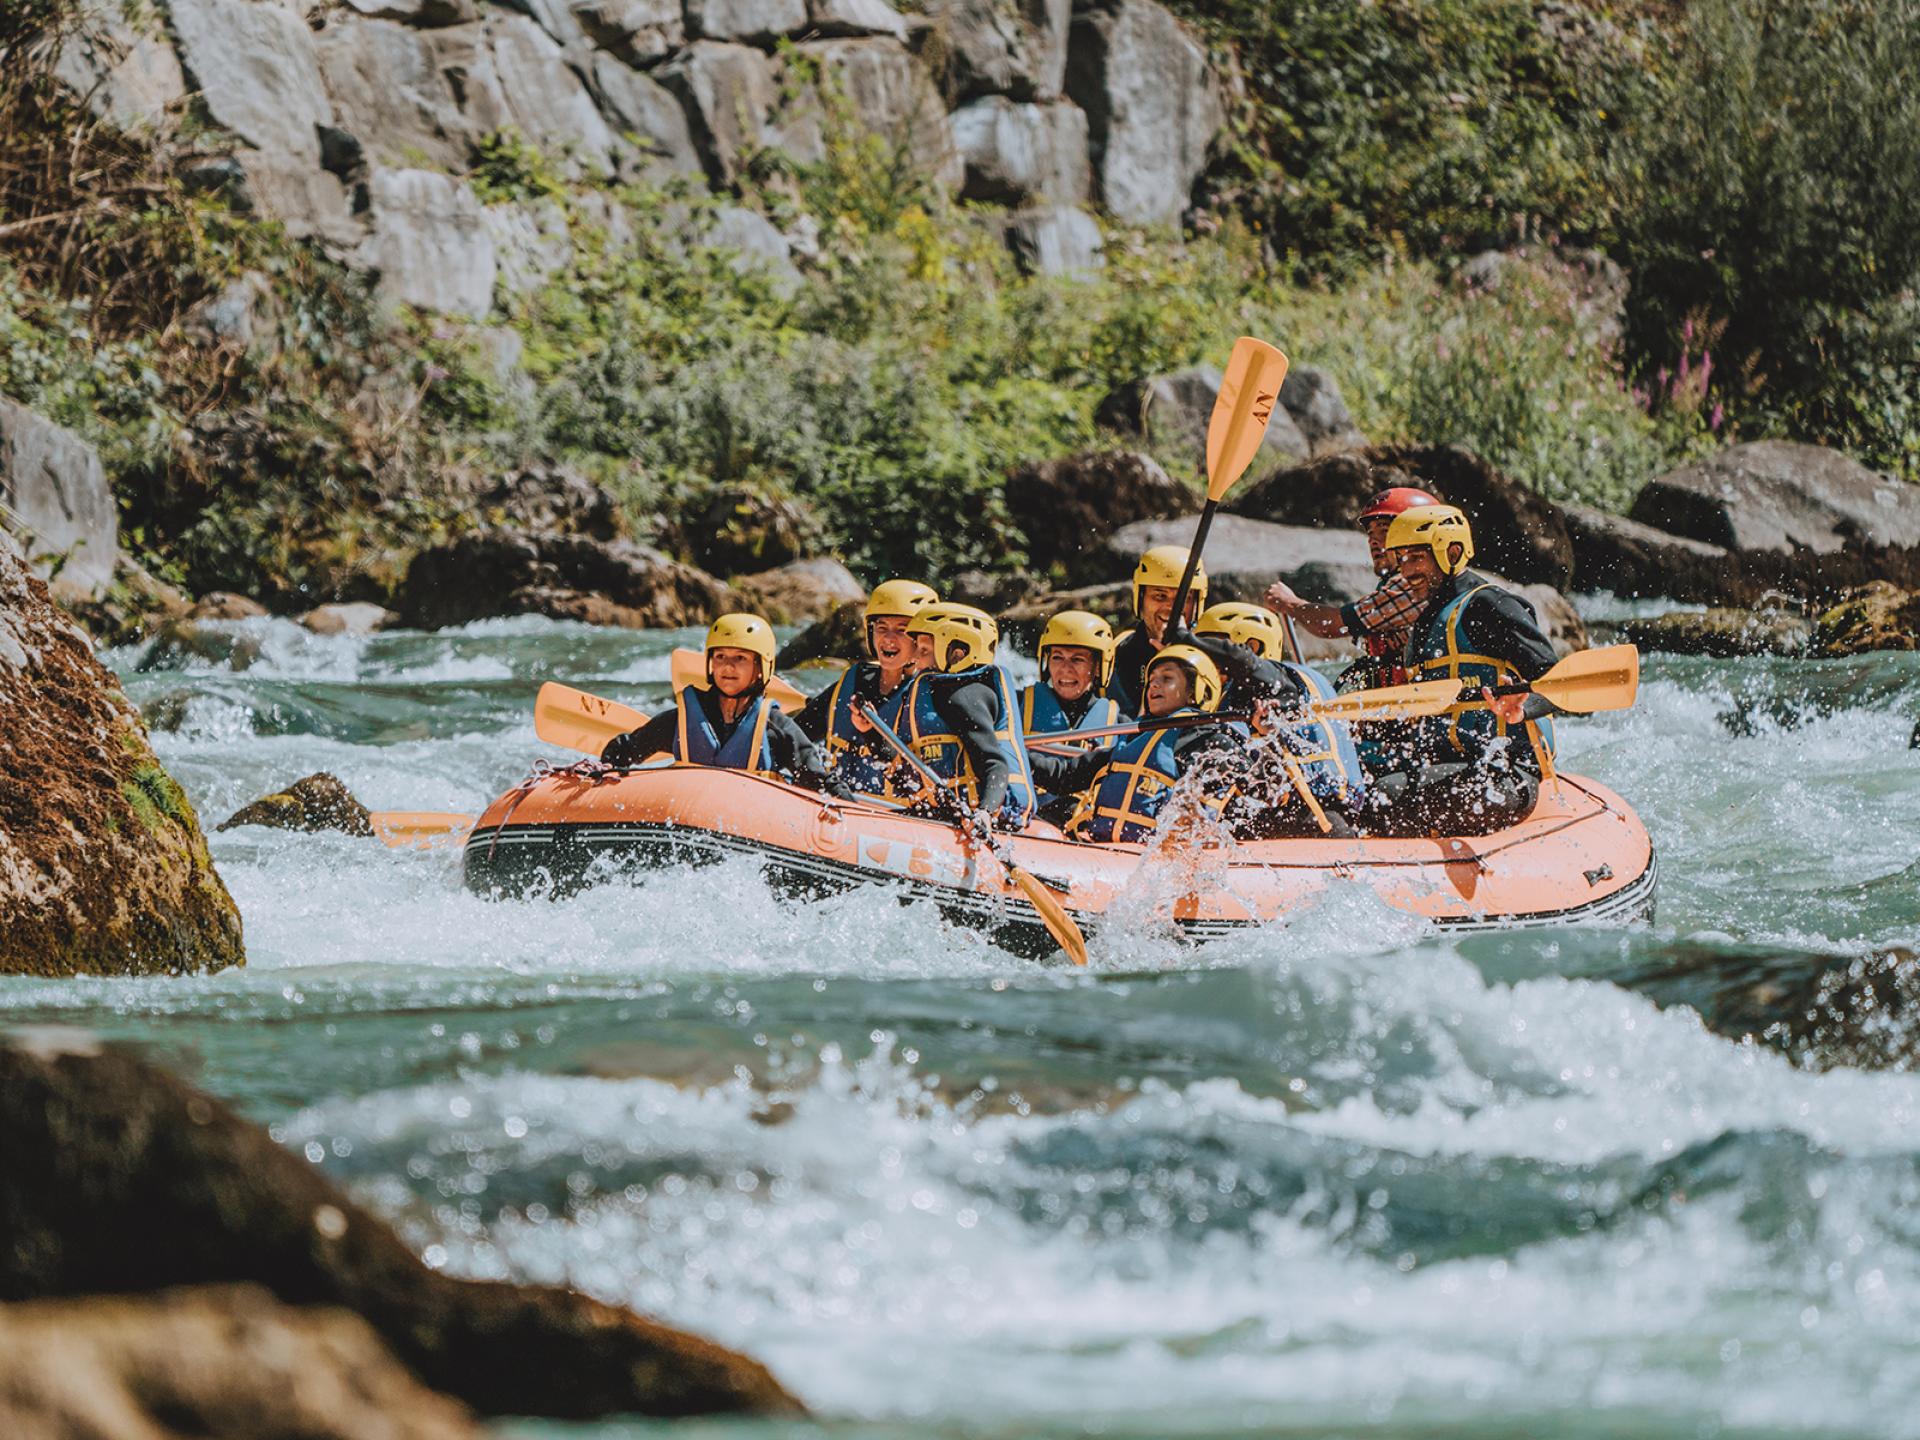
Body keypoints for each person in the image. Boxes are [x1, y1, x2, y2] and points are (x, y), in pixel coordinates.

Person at [1364, 504, 1562, 836]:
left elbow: (1557, 683)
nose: (1406, 570)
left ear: (1451, 552)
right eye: (1401, 559)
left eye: (1416, 558)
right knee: (1354, 775)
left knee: (1383, 797)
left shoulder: (1489, 605)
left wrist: (1523, 707)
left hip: (1505, 773)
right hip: (1447, 763)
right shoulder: (1427, 621)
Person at [601, 614, 849, 796]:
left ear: (760, 668)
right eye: (720, 657)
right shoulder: (683, 719)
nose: (728, 667)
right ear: (710, 663)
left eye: (740, 658)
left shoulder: (775, 728)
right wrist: (603, 768)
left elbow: (817, 779)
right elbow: (627, 749)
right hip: (681, 821)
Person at [1032, 645, 1246, 844]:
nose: (1154, 684)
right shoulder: (1135, 739)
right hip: (1114, 847)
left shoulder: (1211, 742)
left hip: (1166, 855)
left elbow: (1252, 790)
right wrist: (1010, 753)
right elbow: (1063, 776)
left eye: (1167, 678)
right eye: (1152, 679)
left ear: (1196, 692)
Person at [1190, 602, 1364, 835]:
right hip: (1303, 814)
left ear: (1252, 645)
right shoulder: (1258, 696)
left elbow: (1254, 670)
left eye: (1212, 649)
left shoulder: (1285, 682)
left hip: (1318, 819)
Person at [1263, 482, 1442, 693]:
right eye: (1371, 534)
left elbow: (1331, 625)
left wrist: (1290, 603)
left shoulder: (1412, 587)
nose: (1374, 541)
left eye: (1384, 531)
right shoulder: (1403, 584)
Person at [895, 603, 1037, 829]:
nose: (915, 659)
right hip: (943, 812)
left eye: (923, 651)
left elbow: (995, 764)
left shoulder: (966, 697)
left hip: (986, 816)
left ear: (957, 653)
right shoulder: (933, 689)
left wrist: (985, 812)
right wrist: (867, 731)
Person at [795, 578, 937, 796]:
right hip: (836, 802)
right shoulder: (853, 680)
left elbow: (920, 779)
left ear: (922, 640)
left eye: (902, 630)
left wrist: (871, 734)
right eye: (882, 628)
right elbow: (798, 734)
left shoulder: (931, 697)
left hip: (892, 812)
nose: (889, 639)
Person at [1108, 545, 1207, 717]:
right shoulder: (1119, 654)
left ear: (1197, 603)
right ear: (1141, 599)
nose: (1171, 608)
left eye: (1184, 599)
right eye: (1160, 596)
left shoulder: (1210, 654)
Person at [1021, 610, 1121, 742]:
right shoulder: (1015, 708)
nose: (1066, 669)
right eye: (1057, 658)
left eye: (1077, 659)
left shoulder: (1120, 724)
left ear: (1098, 667)